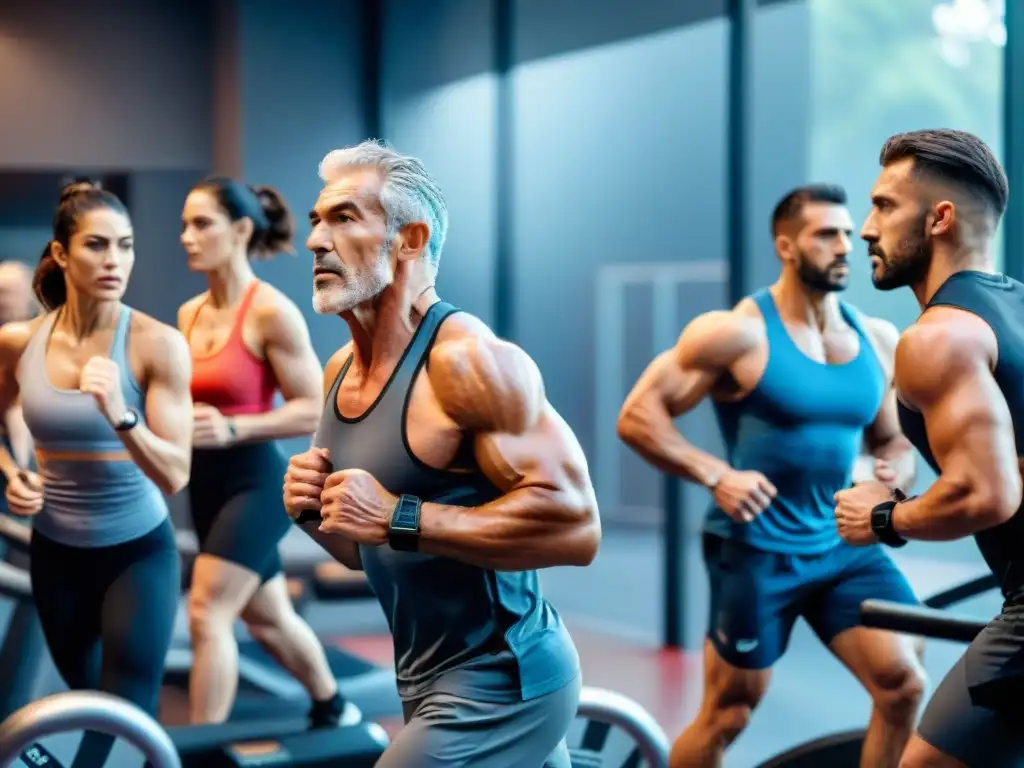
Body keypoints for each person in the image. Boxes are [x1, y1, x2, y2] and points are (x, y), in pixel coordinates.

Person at [281, 140, 599, 767]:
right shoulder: (341, 369)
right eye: (316, 221)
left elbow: (577, 527)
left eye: (344, 218)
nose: (315, 240)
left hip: (502, 679)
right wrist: (314, 512)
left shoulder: (469, 362)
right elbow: (361, 550)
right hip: (421, 674)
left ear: (409, 238)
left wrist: (401, 515)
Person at [618, 184, 927, 768]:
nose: (845, 245)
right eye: (825, 234)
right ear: (787, 246)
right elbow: (637, 415)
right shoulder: (735, 333)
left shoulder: (875, 339)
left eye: (846, 232)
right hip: (757, 548)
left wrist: (894, 473)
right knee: (729, 712)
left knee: (903, 685)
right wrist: (715, 474)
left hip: (842, 546)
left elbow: (892, 438)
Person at [836, 129, 1024, 768]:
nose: (865, 229)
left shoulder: (938, 338)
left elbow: (985, 493)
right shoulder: (1017, 310)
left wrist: (882, 517)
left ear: (940, 218)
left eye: (885, 206)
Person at [0, 182, 192, 767]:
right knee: (82, 700)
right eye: (98, 245)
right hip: (57, 554)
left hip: (138, 554)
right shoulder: (17, 341)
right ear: (61, 254)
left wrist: (122, 415)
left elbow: (175, 472)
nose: (115, 261)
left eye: (126, 246)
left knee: (123, 714)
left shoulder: (158, 345)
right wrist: (9, 471)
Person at [178, 177, 345, 726]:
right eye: (184, 224)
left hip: (255, 486)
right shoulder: (189, 315)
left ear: (242, 229)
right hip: (206, 487)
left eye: (201, 223)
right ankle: (332, 705)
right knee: (266, 617)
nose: (186, 236)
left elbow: (312, 408)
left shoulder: (270, 312)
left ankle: (196, 753)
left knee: (207, 613)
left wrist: (231, 428)